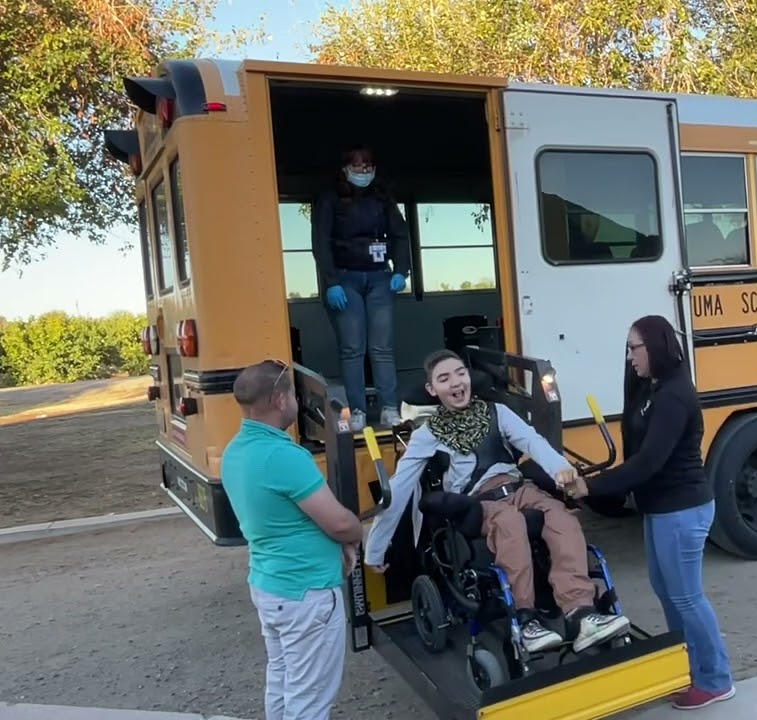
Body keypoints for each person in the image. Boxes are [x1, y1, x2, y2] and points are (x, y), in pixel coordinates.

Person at [364, 349, 631, 654]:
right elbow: (399, 489)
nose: (455, 383)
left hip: (518, 487)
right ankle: (526, 619)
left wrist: (561, 469)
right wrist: (376, 547)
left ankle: (580, 614)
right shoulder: (427, 435)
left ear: (469, 377)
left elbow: (532, 441)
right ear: (432, 390)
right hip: (478, 501)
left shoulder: (497, 412)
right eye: (444, 379)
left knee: (562, 516)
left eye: (459, 373)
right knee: (510, 523)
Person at [564, 315, 736, 711]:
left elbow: (648, 463)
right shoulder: (651, 388)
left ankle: (714, 678)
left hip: (683, 508)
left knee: (687, 596)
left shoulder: (675, 395)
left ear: (655, 347)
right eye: (626, 349)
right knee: (668, 592)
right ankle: (692, 669)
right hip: (661, 509)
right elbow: (634, 447)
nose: (629, 358)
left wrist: (592, 486)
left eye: (634, 349)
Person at [221, 360, 365, 720]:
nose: (297, 402)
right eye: (292, 395)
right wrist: (355, 535)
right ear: (279, 400)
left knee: (283, 680)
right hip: (307, 593)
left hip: (271, 587)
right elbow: (339, 521)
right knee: (309, 699)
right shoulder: (284, 456)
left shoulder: (234, 451)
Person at [310, 144, 411, 431]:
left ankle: (390, 409)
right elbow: (321, 243)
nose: (363, 171)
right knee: (353, 349)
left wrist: (402, 270)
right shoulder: (330, 200)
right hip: (345, 279)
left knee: (382, 348)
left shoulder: (383, 200)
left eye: (368, 166)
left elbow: (400, 236)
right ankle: (357, 411)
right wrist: (331, 283)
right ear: (345, 169)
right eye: (357, 166)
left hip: (380, 277)